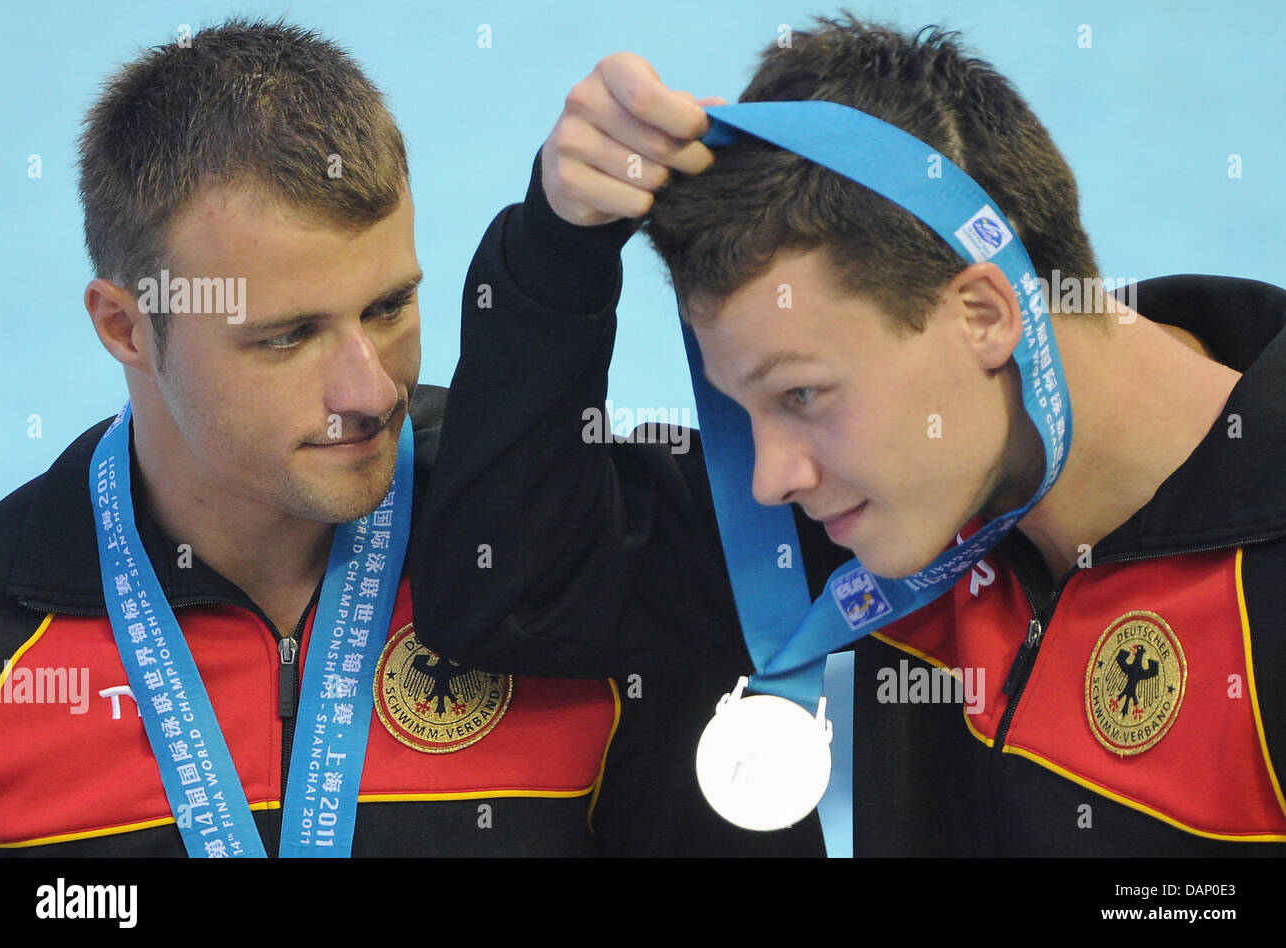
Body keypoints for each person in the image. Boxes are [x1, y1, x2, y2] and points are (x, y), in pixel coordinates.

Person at [411, 15, 1286, 855]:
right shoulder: (895, 514)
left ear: (984, 315)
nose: (769, 479)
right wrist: (560, 246)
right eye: (743, 409)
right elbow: (514, 590)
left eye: (801, 394)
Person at [0, 18, 821, 858]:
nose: (370, 390)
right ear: (125, 326)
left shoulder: (569, 550)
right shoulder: (3, 643)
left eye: (388, 308)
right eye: (286, 336)